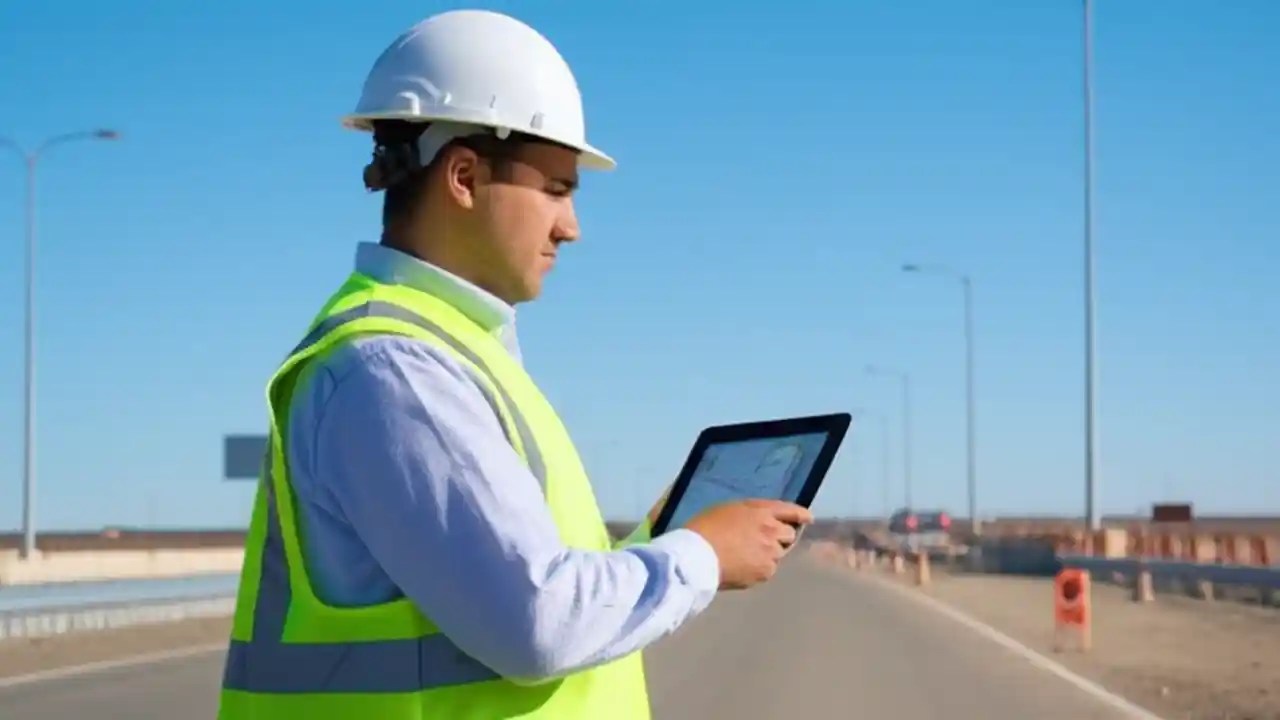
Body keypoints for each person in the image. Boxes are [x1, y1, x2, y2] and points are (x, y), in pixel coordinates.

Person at [217, 9, 812, 720]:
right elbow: (538, 624)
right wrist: (701, 556)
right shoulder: (395, 370)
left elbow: (513, 596)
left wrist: (650, 543)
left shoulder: (447, 354)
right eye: (557, 189)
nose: (572, 226)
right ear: (463, 177)